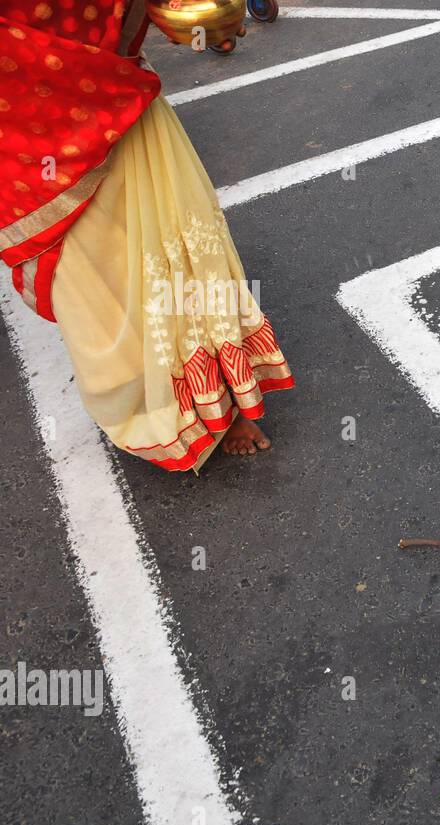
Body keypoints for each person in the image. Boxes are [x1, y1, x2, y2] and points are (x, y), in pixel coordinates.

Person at [0, 0, 292, 472]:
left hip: (113, 95)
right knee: (99, 282)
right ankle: (158, 404)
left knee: (171, 249)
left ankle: (222, 404)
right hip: (30, 129)